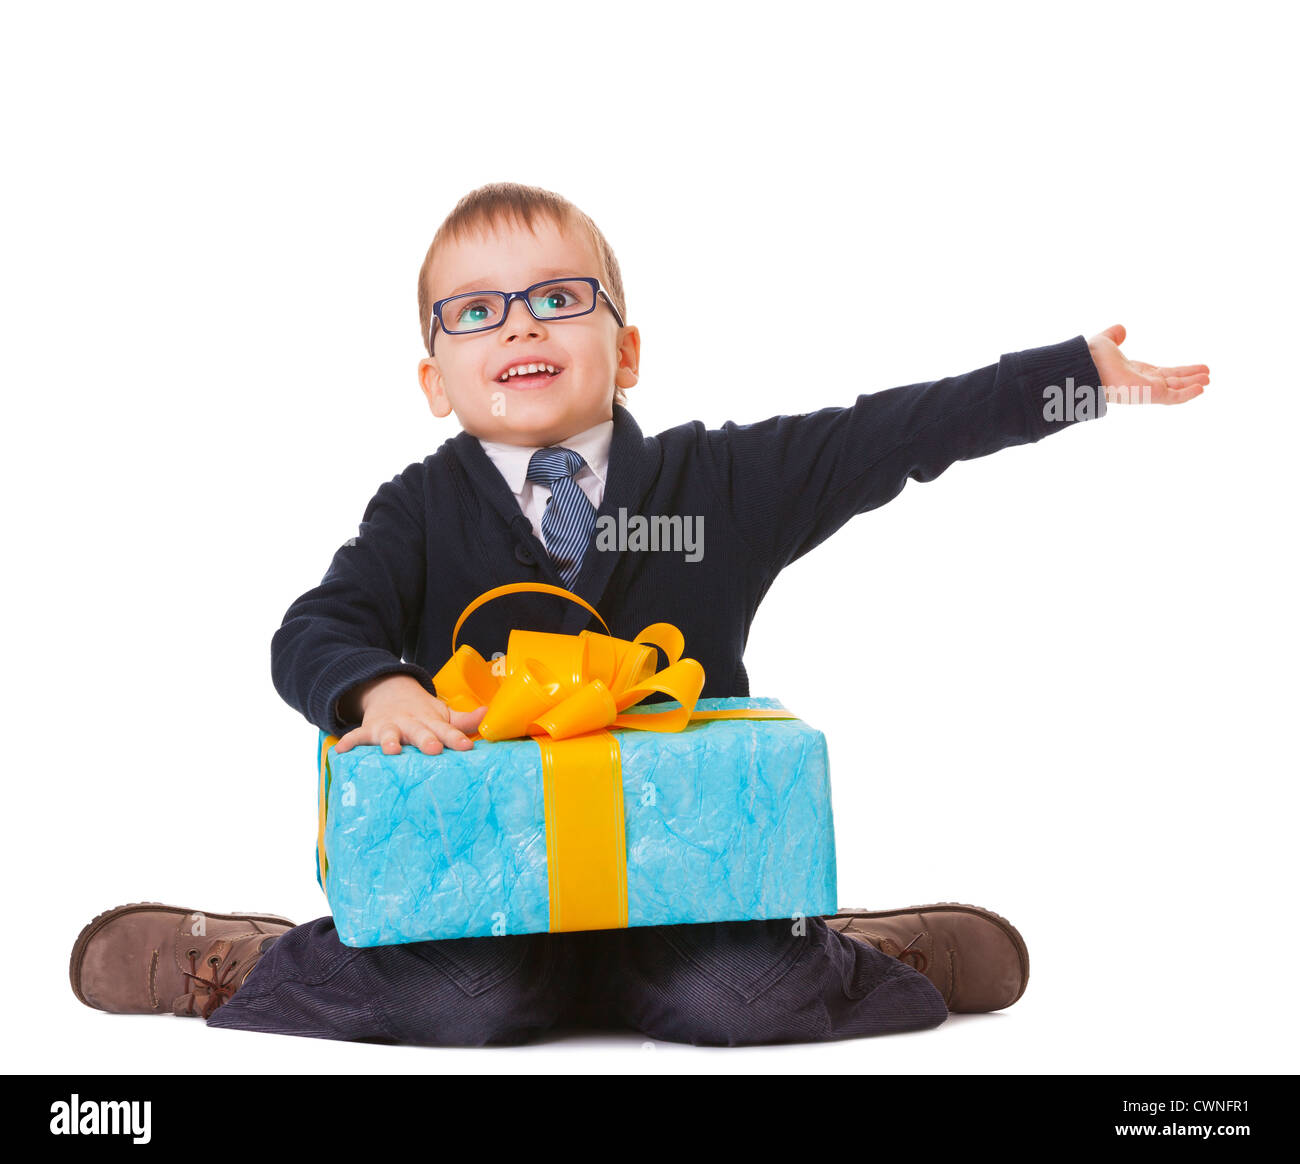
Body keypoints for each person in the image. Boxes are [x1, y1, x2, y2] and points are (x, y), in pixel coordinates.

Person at [69, 182, 1208, 1046]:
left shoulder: (723, 485)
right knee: (471, 1003)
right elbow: (314, 627)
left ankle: (848, 949)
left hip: (687, 883)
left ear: (624, 351)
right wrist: (376, 685)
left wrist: (1074, 378)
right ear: (435, 381)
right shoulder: (416, 511)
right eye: (476, 313)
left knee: (746, 998)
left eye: (558, 300)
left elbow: (889, 435)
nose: (520, 328)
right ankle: (253, 964)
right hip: (487, 891)